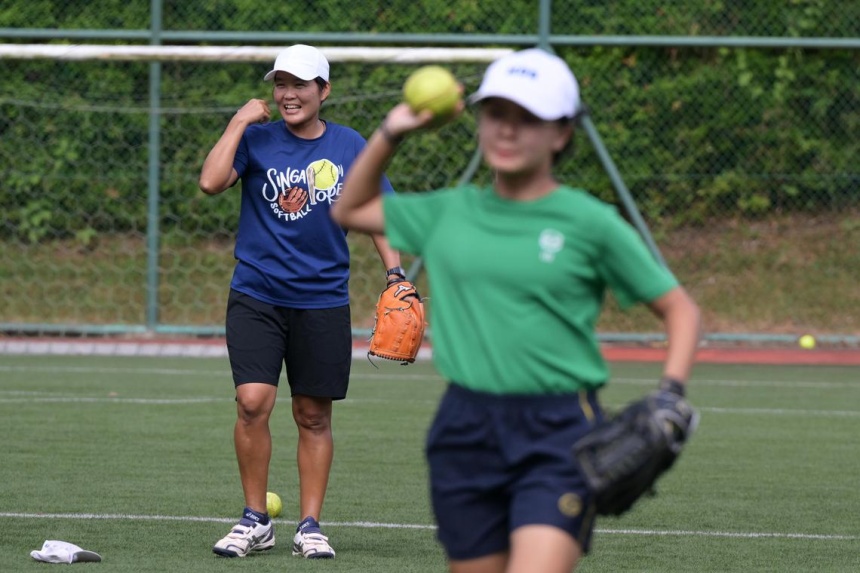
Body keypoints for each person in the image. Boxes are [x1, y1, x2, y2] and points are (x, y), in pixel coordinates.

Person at [331, 48, 701, 573]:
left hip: (558, 428)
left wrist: (672, 394)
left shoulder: (590, 222)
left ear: (562, 134)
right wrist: (393, 130)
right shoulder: (449, 211)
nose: (507, 130)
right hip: (464, 427)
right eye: (496, 115)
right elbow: (348, 209)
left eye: (528, 119)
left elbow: (679, 309)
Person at [199, 44, 406, 560]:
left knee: (313, 415)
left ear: (323, 91)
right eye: (281, 84)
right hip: (257, 294)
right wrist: (237, 122)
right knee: (252, 403)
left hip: (322, 299)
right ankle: (254, 520)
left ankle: (310, 525)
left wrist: (396, 273)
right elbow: (210, 182)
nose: (288, 94)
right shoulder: (257, 138)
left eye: (300, 84)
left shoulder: (348, 145)